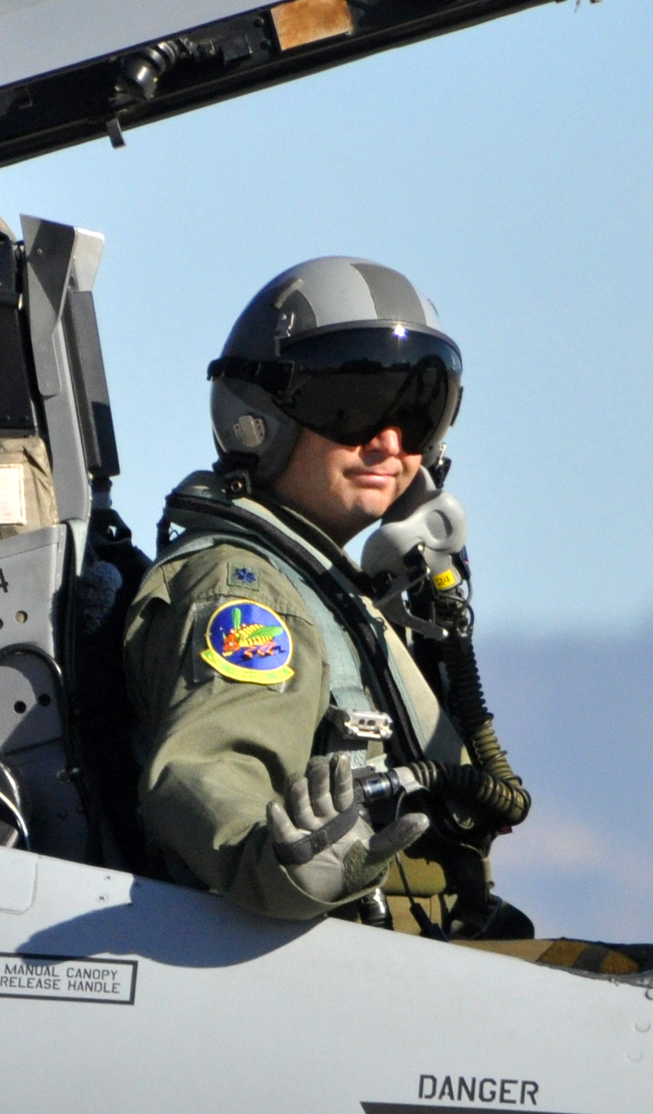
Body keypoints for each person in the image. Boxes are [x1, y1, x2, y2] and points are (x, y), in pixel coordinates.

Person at [123, 257, 533, 937]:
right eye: (354, 406)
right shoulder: (248, 595)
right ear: (259, 417)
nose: (389, 442)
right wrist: (283, 860)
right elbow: (209, 770)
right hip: (338, 970)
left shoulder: (336, 590)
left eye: (416, 410)